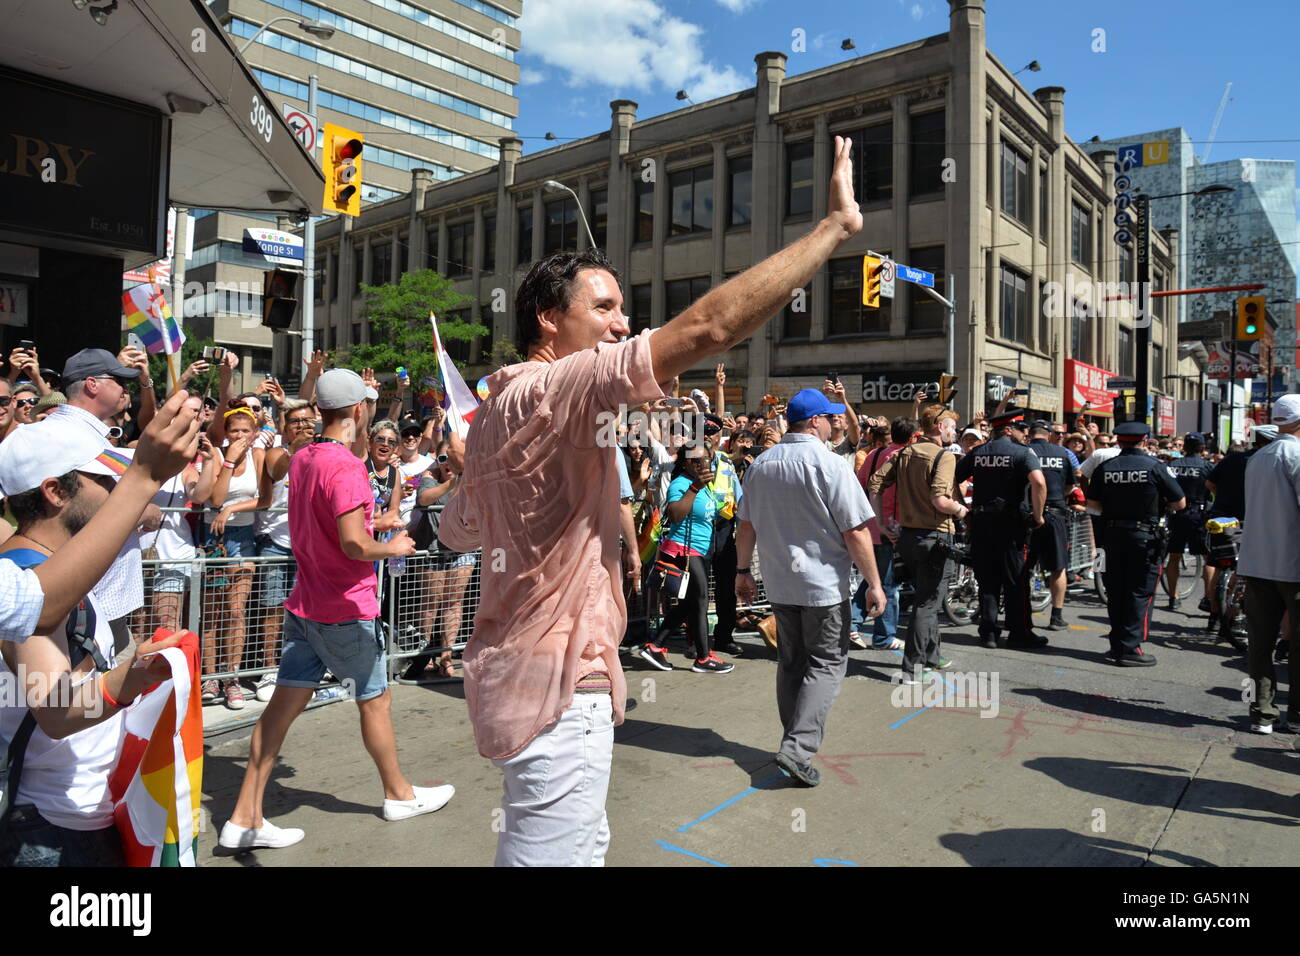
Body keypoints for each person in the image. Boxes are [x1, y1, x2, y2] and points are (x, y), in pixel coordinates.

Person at [438, 134, 866, 864]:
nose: (621, 324)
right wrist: (833, 228)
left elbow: (456, 532)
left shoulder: (493, 412)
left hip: (515, 681)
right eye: (603, 307)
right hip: (558, 691)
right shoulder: (555, 386)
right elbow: (709, 327)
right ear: (548, 315)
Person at [220, 369, 451, 851]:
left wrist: (379, 519)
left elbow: (331, 525)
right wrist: (393, 546)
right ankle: (399, 795)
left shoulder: (304, 456)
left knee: (281, 712)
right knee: (376, 700)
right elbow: (351, 543)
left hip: (307, 604)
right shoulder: (345, 465)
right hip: (343, 607)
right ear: (357, 410)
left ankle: (244, 818)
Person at [0, 419, 187, 866]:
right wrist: (131, 676)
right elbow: (57, 712)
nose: (114, 492)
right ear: (55, 492)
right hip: (53, 830)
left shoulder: (51, 574)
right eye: (104, 480)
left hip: (76, 815)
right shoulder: (25, 575)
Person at [736, 388, 887, 785]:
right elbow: (855, 531)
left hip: (781, 582)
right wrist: (874, 582)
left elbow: (746, 524)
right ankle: (797, 748)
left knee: (792, 663)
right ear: (816, 421)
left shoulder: (761, 464)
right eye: (831, 417)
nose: (835, 423)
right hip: (822, 586)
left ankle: (793, 742)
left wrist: (741, 571)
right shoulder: (830, 464)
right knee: (825, 665)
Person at [49, 349, 152, 654]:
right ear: (92, 384)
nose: (126, 389)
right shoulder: (71, 439)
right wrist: (145, 509)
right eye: (120, 380)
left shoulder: (93, 437)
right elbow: (97, 510)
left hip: (107, 603)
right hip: (85, 605)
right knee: (89, 698)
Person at [867, 404, 964, 680]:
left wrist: (882, 522)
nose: (953, 432)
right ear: (939, 427)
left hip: (909, 537)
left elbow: (875, 484)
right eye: (951, 427)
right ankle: (914, 667)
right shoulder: (944, 456)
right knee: (928, 602)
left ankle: (932, 655)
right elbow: (939, 499)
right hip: (935, 536)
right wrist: (959, 509)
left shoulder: (905, 452)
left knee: (927, 597)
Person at [1085, 422, 1186, 667]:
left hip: (1110, 537)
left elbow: (1094, 505)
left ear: (1119, 441)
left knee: (1116, 591)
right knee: (1140, 592)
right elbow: (1180, 503)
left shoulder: (1105, 468)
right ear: (1144, 440)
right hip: (1144, 538)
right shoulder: (1155, 467)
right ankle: (1131, 648)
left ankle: (1117, 644)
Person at [954, 408, 1047, 650]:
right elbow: (1039, 482)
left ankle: (989, 633)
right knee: (1016, 580)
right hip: (1012, 526)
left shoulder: (978, 453)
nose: (1024, 434)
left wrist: (964, 508)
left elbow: (953, 478)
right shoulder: (1022, 452)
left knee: (987, 580)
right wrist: (1038, 516)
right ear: (1008, 429)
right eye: (1021, 429)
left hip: (982, 524)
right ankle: (1019, 632)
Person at [641, 444, 734, 673]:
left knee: (688, 603)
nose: (705, 465)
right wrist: (695, 487)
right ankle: (703, 658)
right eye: (699, 461)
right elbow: (674, 515)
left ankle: (655, 646)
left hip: (699, 550)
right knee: (700, 600)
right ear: (687, 464)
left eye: (707, 461)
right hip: (684, 550)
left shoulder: (705, 485)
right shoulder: (682, 484)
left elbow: (704, 513)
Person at [1238, 395, 1300, 734]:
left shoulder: (1257, 457)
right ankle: (1296, 715)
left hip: (1257, 561)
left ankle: (1260, 713)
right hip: (1292, 564)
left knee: (1259, 644)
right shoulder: (1297, 455)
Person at [251, 399, 315, 702]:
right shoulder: (277, 451)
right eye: (296, 422)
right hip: (276, 543)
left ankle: (298, 669)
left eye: (307, 421)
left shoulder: (321, 453)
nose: (303, 426)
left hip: (308, 548)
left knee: (304, 613)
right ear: (284, 428)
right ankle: (269, 669)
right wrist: (294, 449)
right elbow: (276, 471)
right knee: (272, 609)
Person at [201, 401, 263, 710]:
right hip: (213, 537)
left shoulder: (259, 455)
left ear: (254, 433)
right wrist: (228, 460)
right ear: (226, 433)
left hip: (242, 536)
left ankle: (233, 678)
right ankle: (211, 677)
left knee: (236, 610)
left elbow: (264, 499)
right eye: (234, 430)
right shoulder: (216, 454)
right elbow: (214, 496)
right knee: (213, 612)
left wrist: (231, 509)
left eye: (245, 430)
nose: (239, 435)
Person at [853, 415, 914, 651]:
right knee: (888, 585)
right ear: (911, 438)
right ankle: (884, 637)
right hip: (891, 528)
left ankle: (853, 623)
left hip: (870, 526)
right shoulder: (905, 457)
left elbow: (859, 485)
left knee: (873, 580)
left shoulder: (874, 454)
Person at [1026, 420, 1076, 631]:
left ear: (1030, 434)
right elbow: (1070, 485)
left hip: (1028, 515)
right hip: (1055, 514)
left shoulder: (1024, 451)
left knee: (1024, 567)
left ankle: (1021, 612)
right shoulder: (1063, 453)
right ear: (1048, 434)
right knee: (1058, 567)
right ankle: (1056, 616)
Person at [1163, 432, 1214, 611]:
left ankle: (1173, 597)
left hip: (1176, 513)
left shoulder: (1173, 465)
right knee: (1208, 558)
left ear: (1184, 447)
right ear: (1202, 447)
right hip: (1198, 515)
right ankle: (1209, 597)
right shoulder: (1207, 466)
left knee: (1174, 556)